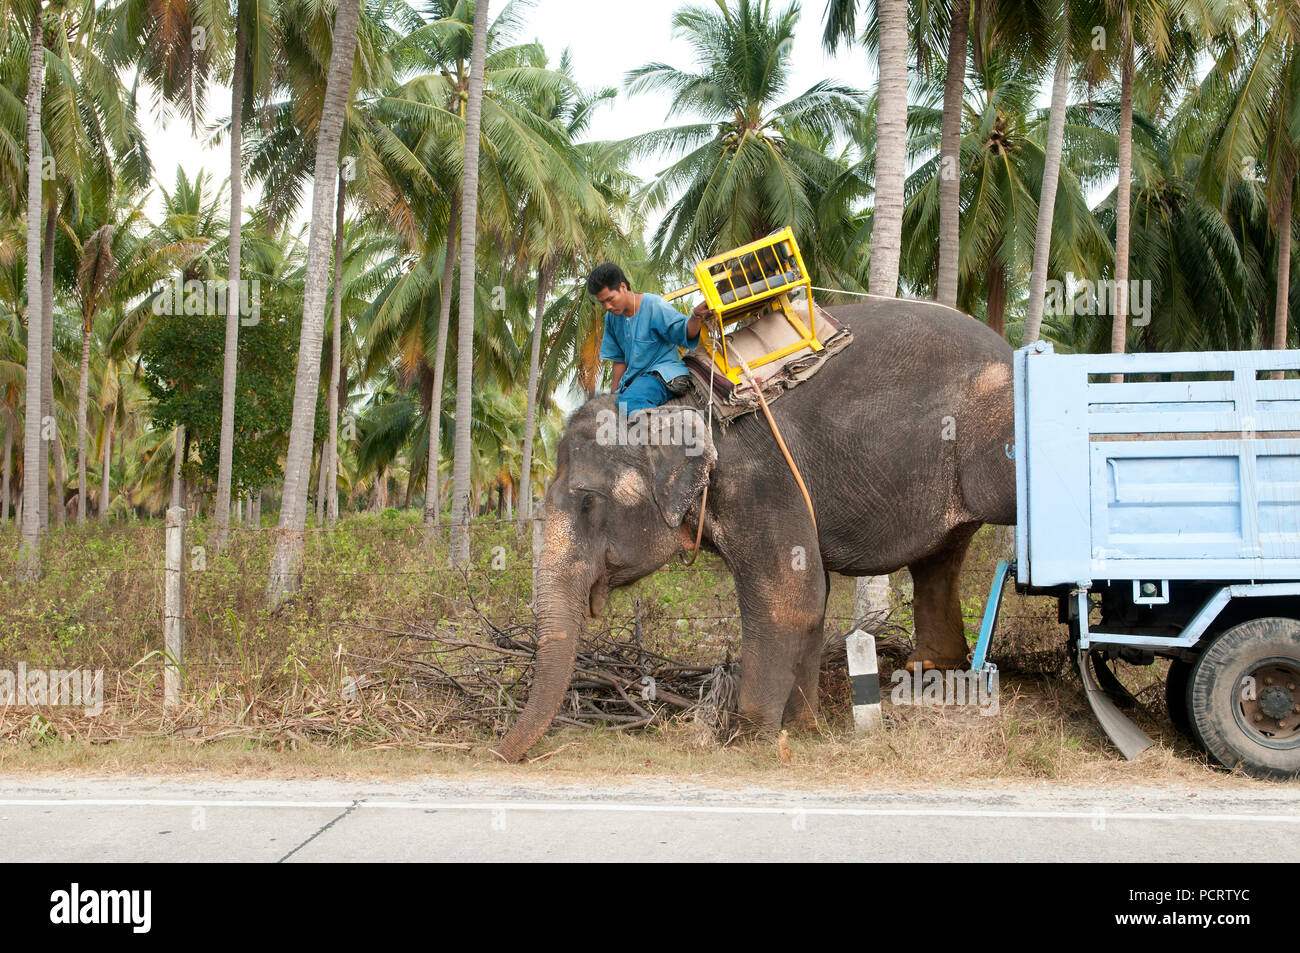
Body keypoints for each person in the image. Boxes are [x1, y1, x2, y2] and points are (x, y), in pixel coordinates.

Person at [587, 263, 710, 415]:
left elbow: (684, 332)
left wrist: (696, 316)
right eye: (602, 303)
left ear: (623, 287)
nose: (607, 306)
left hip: (664, 376)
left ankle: (663, 433)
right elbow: (619, 360)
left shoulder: (654, 305)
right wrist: (614, 395)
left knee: (628, 404)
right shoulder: (611, 319)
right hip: (637, 383)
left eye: (610, 299)